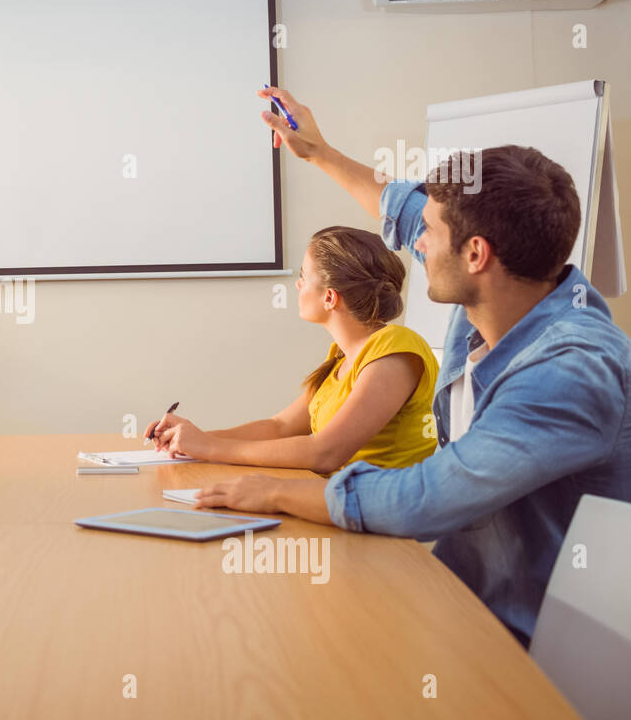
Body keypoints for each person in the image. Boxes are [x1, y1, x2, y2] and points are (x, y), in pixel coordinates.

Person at [187, 86, 631, 647]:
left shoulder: (568, 369)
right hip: (458, 593)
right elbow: (399, 206)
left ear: (476, 255)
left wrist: (272, 492)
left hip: (533, 642)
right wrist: (318, 152)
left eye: (430, 234)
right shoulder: (500, 294)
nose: (416, 243)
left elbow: (427, 498)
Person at [150, 225, 438, 474]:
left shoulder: (395, 350)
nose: (298, 284)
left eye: (304, 275)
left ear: (329, 297)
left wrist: (209, 447)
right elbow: (279, 427)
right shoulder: (341, 356)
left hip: (378, 516)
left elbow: (325, 453)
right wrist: (191, 439)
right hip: (333, 500)